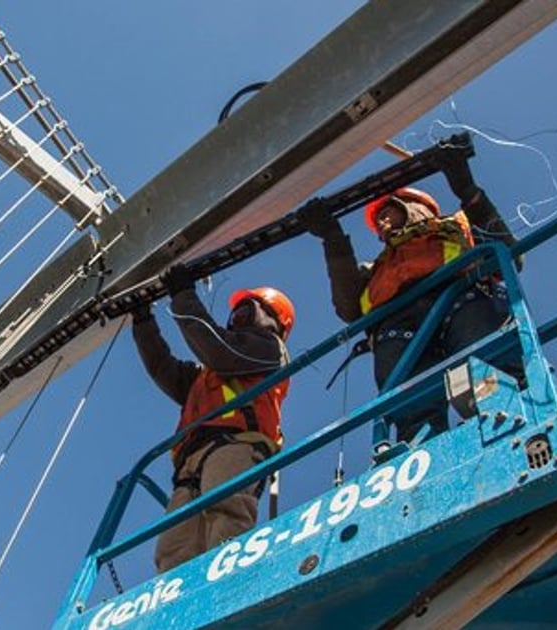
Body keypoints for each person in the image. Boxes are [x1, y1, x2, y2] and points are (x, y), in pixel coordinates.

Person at [299, 153, 518, 449]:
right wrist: (333, 240)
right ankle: (421, 447)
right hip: (400, 328)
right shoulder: (376, 270)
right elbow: (349, 307)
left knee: (484, 360)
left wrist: (466, 188)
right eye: (378, 221)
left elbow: (510, 255)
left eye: (388, 212)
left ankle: (508, 411)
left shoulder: (457, 228)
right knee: (411, 400)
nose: (381, 223)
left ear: (414, 209)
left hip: (460, 300)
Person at [132, 264, 294, 573]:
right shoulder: (208, 376)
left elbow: (219, 350)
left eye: (248, 308)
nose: (237, 315)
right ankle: (177, 604)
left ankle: (228, 583)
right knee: (174, 546)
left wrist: (183, 296)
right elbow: (162, 367)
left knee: (226, 509)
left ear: (273, 319)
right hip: (191, 460)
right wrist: (143, 322)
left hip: (237, 445)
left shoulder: (270, 352)